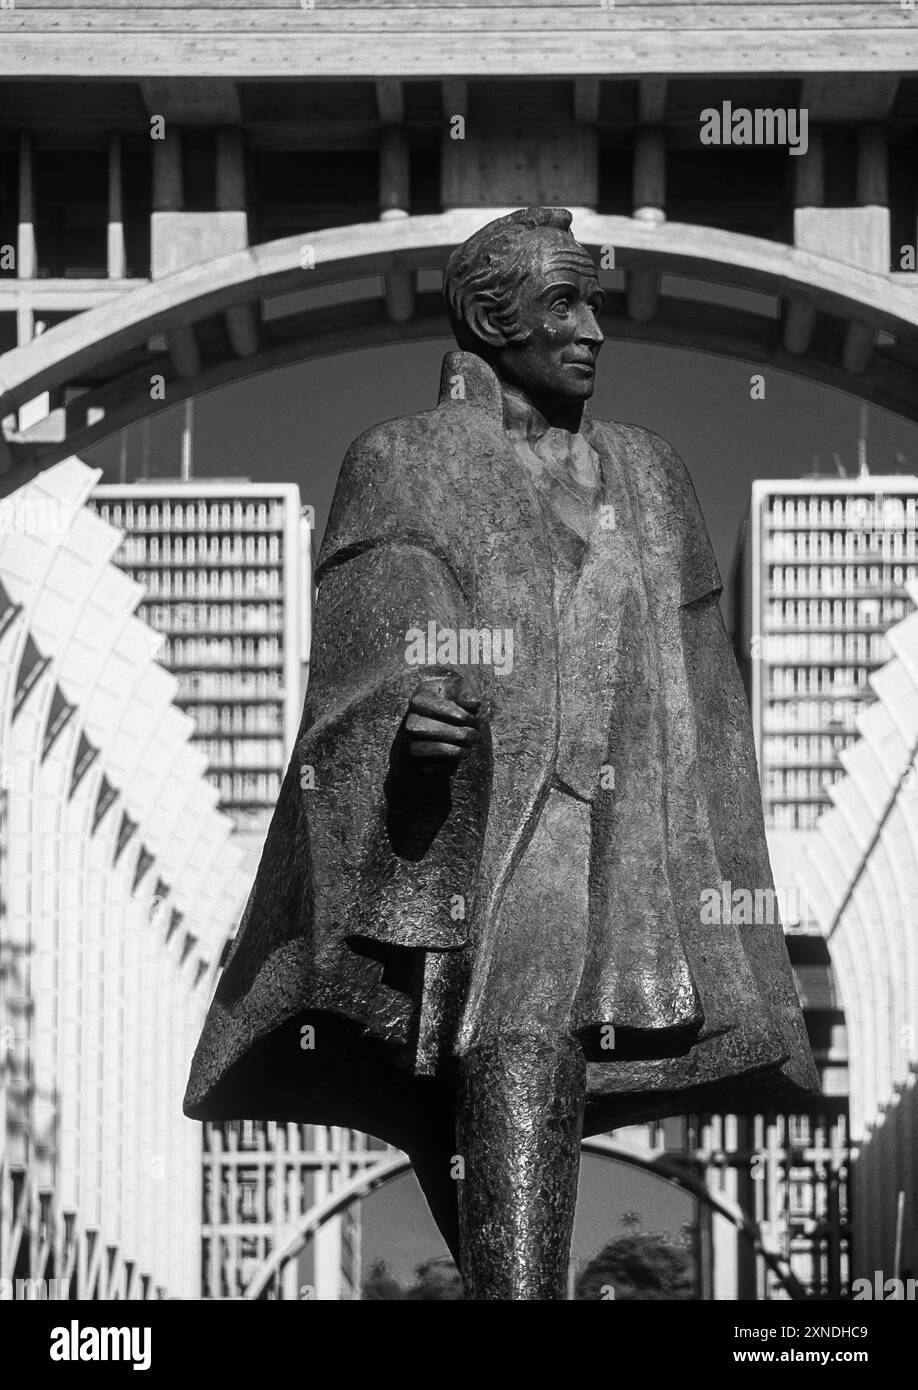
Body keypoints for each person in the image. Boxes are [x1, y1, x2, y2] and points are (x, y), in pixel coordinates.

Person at [185, 207, 816, 1300]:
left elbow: (704, 696)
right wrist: (410, 739)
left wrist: (722, 892)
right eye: (564, 302)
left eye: (593, 303)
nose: (594, 332)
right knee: (517, 1028)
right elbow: (361, 666)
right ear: (490, 316)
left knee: (515, 1059)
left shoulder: (651, 474)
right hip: (480, 830)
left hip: (622, 837)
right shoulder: (403, 461)